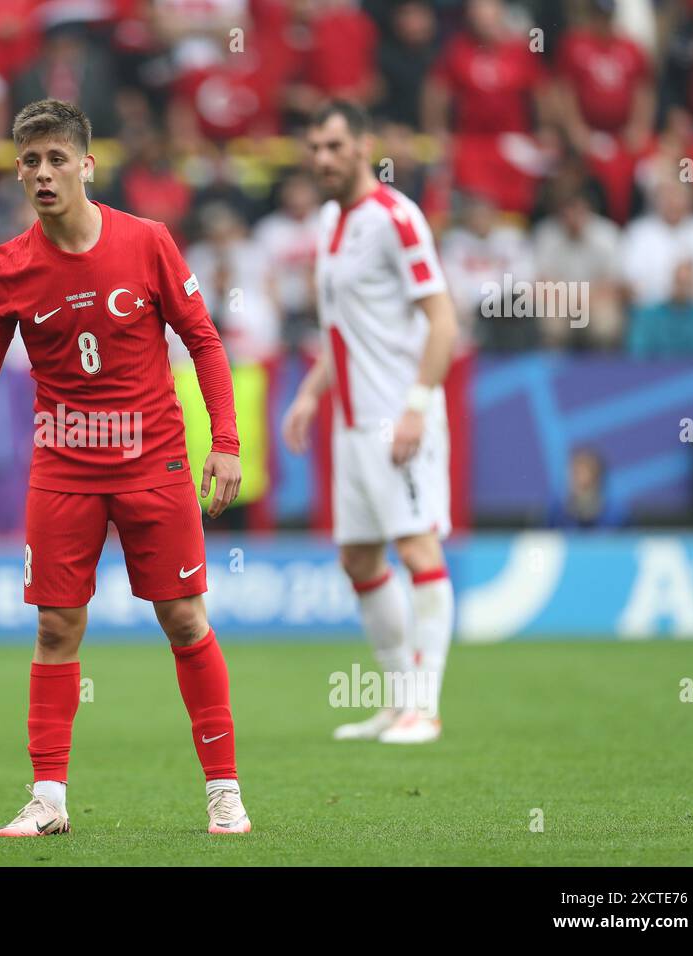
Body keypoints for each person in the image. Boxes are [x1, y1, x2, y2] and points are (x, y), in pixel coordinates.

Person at [0, 99, 251, 836]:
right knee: (57, 629)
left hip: (153, 462)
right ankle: (48, 800)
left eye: (56, 158)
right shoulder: (8, 268)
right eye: (29, 161)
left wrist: (223, 440)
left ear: (86, 166)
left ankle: (224, 791)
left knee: (184, 618)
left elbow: (205, 342)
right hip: (63, 467)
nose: (42, 173)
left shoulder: (149, 242)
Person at [281, 102, 458, 744]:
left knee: (416, 548)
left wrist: (415, 406)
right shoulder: (331, 222)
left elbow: (443, 320)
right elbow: (343, 332)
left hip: (397, 416)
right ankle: (396, 700)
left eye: (334, 146)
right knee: (358, 558)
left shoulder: (395, 218)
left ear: (363, 145)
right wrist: (309, 393)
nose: (322, 159)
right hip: (350, 424)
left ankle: (426, 709)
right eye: (314, 148)